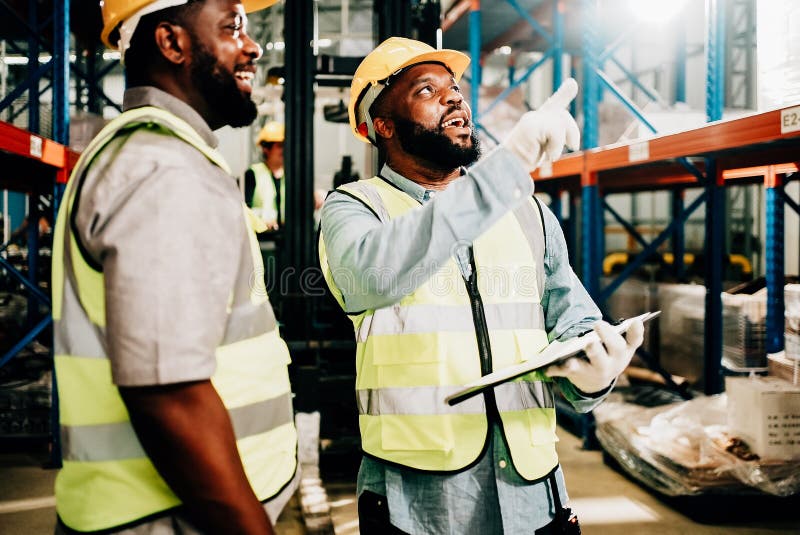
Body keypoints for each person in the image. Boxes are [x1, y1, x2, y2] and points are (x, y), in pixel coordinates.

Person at [319, 37, 645, 534]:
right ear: (382, 125)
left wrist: (592, 373)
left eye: (455, 89)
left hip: (532, 490)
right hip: (419, 500)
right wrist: (504, 171)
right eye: (427, 90)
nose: (455, 98)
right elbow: (366, 276)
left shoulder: (526, 211)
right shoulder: (356, 207)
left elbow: (571, 318)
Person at [51, 1, 298, 533]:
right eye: (231, 27)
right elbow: (170, 395)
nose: (252, 47)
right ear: (171, 43)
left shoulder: (155, 155)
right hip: (171, 519)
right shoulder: (164, 168)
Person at [244, 121, 285, 230]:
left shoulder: (293, 177)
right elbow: (243, 210)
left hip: (288, 239)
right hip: (263, 238)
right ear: (266, 148)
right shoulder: (252, 174)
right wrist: (262, 222)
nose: (285, 150)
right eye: (280, 145)